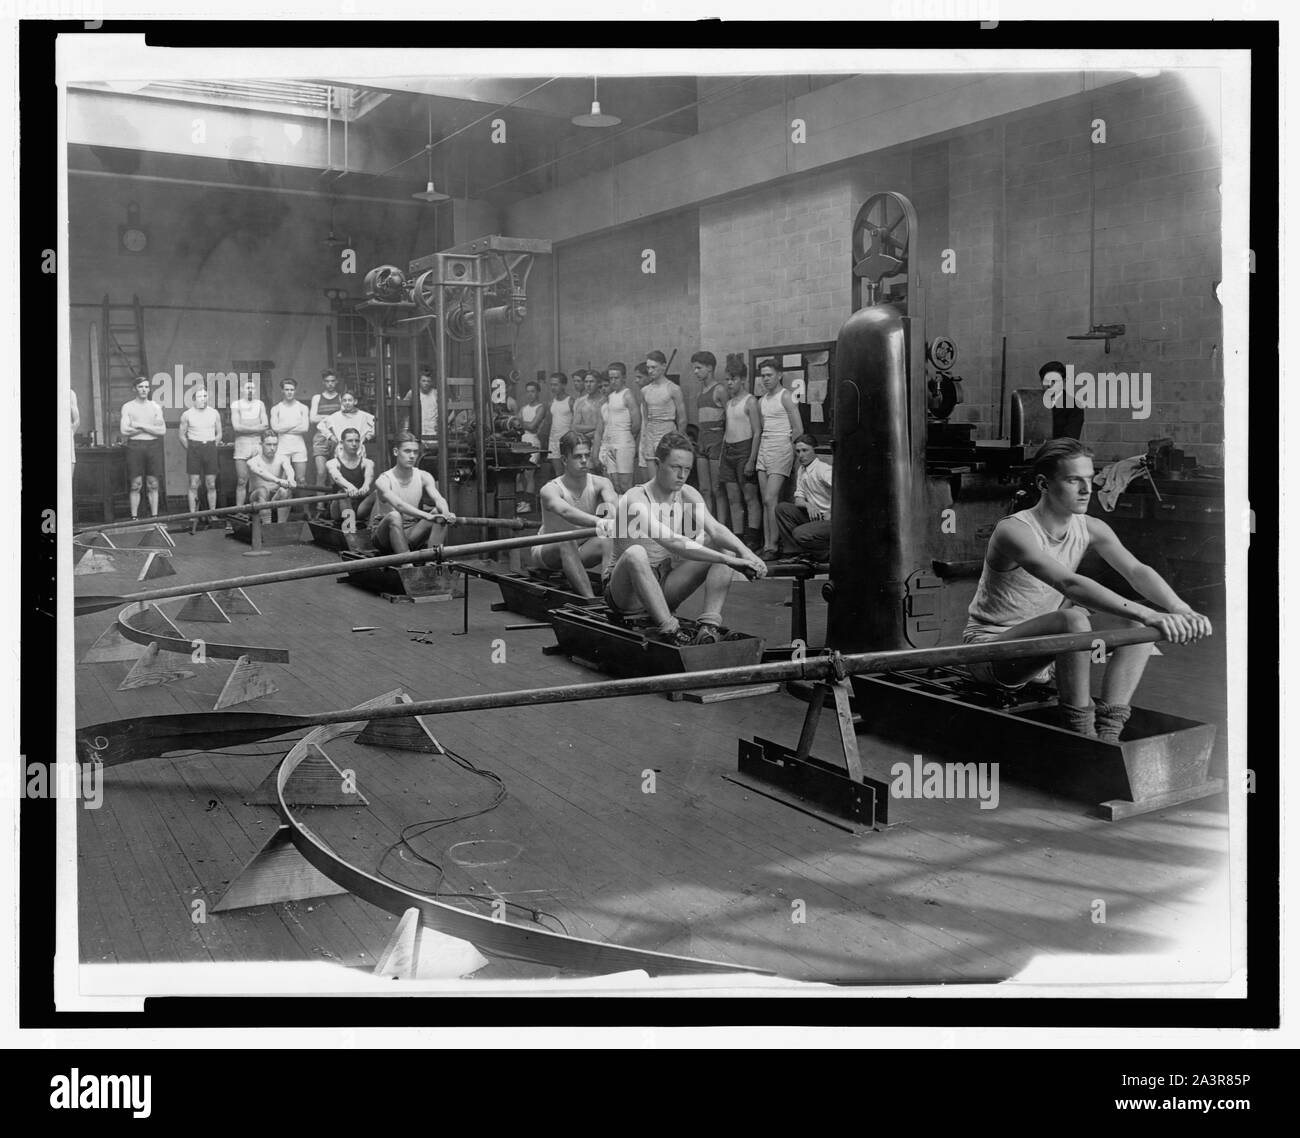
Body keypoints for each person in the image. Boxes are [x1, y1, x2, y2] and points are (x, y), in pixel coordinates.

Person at [963, 437, 1212, 742]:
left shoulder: (1090, 527)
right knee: (1074, 619)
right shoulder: (1014, 530)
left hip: (1048, 654)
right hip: (993, 653)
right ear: (1043, 483)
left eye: (1089, 480)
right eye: (1073, 480)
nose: (1086, 489)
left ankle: (1108, 732)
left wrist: (1180, 608)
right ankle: (1080, 732)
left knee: (1136, 623)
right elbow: (1069, 583)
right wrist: (1147, 612)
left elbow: (1137, 571)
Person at [602, 431, 767, 646]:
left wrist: (748, 554)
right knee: (636, 553)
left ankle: (709, 626)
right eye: (675, 467)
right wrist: (730, 562)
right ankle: (670, 630)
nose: (682, 475)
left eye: (687, 469)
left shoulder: (687, 493)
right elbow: (673, 541)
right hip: (624, 594)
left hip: (662, 584)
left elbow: (716, 530)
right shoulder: (635, 498)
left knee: (722, 544)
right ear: (658, 464)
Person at [534, 432, 618, 597]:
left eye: (587, 455)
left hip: (582, 550)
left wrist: (611, 515)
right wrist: (598, 522)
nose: (584, 460)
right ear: (565, 460)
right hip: (549, 551)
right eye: (578, 456)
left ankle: (612, 597)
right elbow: (566, 511)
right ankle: (591, 601)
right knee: (566, 540)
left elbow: (613, 503)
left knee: (608, 537)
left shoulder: (601, 483)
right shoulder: (550, 489)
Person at [372, 431, 456, 554]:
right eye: (407, 451)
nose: (412, 456)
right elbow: (399, 505)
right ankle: (407, 564)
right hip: (384, 537)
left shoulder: (424, 476)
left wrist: (446, 514)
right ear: (396, 452)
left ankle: (431, 561)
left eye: (415, 452)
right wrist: (427, 515)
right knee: (394, 516)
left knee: (439, 513)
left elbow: (439, 499)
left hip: (411, 532)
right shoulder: (383, 480)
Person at [754, 358, 803, 560]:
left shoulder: (787, 396)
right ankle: (768, 544)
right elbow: (763, 428)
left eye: (769, 375)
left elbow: (798, 429)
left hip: (781, 446)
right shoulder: (761, 400)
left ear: (779, 375)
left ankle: (774, 545)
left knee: (770, 498)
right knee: (765, 501)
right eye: (763, 375)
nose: (765, 379)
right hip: (765, 447)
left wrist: (795, 457)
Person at [717, 362, 763, 550]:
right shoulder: (728, 403)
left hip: (745, 450)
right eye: (727, 379)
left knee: (750, 497)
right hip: (728, 450)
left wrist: (752, 459)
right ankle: (738, 538)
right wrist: (722, 456)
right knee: (733, 498)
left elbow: (757, 432)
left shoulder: (750, 401)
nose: (729, 383)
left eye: (733, 379)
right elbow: (727, 431)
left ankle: (752, 539)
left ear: (743, 380)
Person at [776, 435, 832, 559]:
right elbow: (798, 499)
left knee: (800, 533)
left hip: (831, 520)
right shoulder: (802, 470)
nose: (801, 455)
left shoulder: (823, 469)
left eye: (805, 450)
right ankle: (795, 552)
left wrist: (831, 511)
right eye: (798, 451)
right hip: (816, 517)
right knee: (782, 508)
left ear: (814, 450)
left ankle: (827, 554)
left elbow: (844, 492)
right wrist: (808, 505)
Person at [590, 360, 642, 494]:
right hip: (610, 445)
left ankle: (632, 513)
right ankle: (618, 514)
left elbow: (636, 423)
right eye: (611, 378)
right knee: (615, 485)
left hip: (624, 443)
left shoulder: (628, 394)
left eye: (616, 378)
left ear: (624, 378)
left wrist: (627, 438)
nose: (613, 381)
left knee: (625, 485)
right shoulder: (611, 397)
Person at [178, 385, 223, 534]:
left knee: (211, 483)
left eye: (205, 396)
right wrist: (191, 449)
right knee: (194, 483)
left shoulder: (214, 413)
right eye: (199, 397)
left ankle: (212, 513)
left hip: (210, 447)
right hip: (194, 448)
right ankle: (193, 515)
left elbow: (219, 433)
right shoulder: (187, 414)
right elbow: (182, 435)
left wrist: (212, 446)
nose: (203, 399)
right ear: (193, 399)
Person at [119, 376, 166, 520]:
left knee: (153, 484)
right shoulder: (128, 406)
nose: (144, 389)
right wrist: (150, 428)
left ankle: (155, 517)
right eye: (140, 387)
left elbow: (162, 431)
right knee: (136, 484)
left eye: (146, 387)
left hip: (153, 446)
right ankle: (134, 518)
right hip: (135, 446)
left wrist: (140, 425)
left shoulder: (155, 407)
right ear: (135, 389)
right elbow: (124, 431)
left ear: (149, 389)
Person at [636, 350, 686, 483]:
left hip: (667, 432)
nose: (650, 371)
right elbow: (645, 418)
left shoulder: (673, 388)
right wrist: (646, 438)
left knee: (669, 479)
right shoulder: (645, 390)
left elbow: (682, 419)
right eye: (648, 368)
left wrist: (677, 441)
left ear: (663, 366)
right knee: (653, 481)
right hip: (651, 433)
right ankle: (655, 504)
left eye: (654, 367)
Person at [691, 351, 728, 527]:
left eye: (698, 368)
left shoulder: (719, 389)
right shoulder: (700, 392)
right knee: (704, 489)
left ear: (710, 368)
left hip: (717, 440)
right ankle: (708, 529)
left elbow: (731, 417)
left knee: (717, 489)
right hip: (702, 440)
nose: (695, 372)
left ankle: (721, 529)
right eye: (694, 368)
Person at [324, 426, 377, 527]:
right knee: (343, 492)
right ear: (342, 443)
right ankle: (350, 529)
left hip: (360, 507)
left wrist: (366, 485)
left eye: (357, 441)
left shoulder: (367, 462)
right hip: (339, 508)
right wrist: (349, 487)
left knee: (379, 492)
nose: (354, 444)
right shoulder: (332, 463)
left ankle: (373, 527)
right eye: (350, 441)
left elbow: (369, 475)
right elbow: (337, 477)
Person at [230, 376, 268, 506]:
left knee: (259, 479)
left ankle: (260, 509)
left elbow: (265, 425)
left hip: (257, 444)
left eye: (252, 387)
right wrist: (255, 428)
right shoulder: (236, 405)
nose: (250, 390)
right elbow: (236, 427)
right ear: (242, 389)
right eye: (247, 387)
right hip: (241, 445)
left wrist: (246, 428)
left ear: (256, 389)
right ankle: (239, 510)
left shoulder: (260, 404)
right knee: (242, 480)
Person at [269, 378, 311, 497]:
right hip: (282, 447)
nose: (289, 392)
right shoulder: (276, 408)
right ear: (282, 390)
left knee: (301, 479)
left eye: (292, 390)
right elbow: (275, 428)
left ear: (295, 391)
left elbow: (304, 428)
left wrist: (283, 428)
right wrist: (295, 424)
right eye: (287, 389)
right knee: (283, 480)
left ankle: (306, 510)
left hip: (299, 446)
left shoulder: (302, 408)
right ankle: (283, 510)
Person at [246, 430, 296, 524]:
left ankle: (281, 525)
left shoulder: (283, 458)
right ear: (261, 444)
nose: (272, 448)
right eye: (268, 444)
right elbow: (261, 472)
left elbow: (289, 469)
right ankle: (267, 525)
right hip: (256, 499)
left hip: (275, 498)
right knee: (262, 490)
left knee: (285, 490)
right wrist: (278, 480)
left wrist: (291, 479)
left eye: (275, 444)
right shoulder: (252, 461)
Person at [309, 370, 344, 498]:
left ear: (336, 381)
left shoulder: (341, 397)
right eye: (327, 381)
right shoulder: (317, 398)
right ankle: (320, 505)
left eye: (332, 381)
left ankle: (332, 506)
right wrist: (333, 417)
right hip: (320, 438)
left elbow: (343, 417)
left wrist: (323, 417)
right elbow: (312, 418)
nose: (330, 384)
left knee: (335, 473)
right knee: (321, 472)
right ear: (323, 382)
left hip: (336, 437)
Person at [516, 379, 547, 513]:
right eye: (528, 392)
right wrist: (521, 423)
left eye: (533, 391)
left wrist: (520, 422)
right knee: (518, 474)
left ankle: (528, 503)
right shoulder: (523, 408)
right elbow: (515, 425)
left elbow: (532, 426)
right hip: (521, 441)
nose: (530, 394)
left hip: (533, 442)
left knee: (529, 474)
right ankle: (520, 502)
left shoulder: (541, 407)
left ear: (538, 392)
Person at [322, 390, 376, 459]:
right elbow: (321, 425)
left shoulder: (363, 415)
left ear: (355, 401)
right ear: (341, 402)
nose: (347, 403)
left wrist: (368, 436)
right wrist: (331, 436)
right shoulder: (336, 416)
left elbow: (376, 424)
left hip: (358, 450)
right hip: (341, 451)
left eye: (350, 400)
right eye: (344, 400)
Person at [1040, 360, 1085, 440]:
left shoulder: (1075, 406)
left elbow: (1069, 440)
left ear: (1064, 381)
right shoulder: (1033, 403)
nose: (1050, 385)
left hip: (1060, 452)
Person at [545, 372, 574, 480]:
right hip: (553, 441)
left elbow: (574, 423)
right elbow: (548, 423)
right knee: (558, 473)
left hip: (566, 441)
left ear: (563, 385)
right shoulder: (551, 402)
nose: (553, 387)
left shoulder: (570, 401)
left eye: (556, 384)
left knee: (569, 471)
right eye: (551, 384)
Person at [571, 369, 601, 446]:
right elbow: (575, 427)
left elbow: (607, 426)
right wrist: (595, 427)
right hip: (585, 443)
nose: (588, 384)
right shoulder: (581, 403)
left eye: (591, 382)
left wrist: (589, 434)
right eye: (586, 382)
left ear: (598, 383)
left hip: (603, 441)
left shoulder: (604, 401)